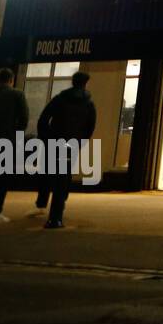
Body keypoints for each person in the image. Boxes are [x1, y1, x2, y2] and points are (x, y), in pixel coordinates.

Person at [41, 71, 96, 229]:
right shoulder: (88, 103)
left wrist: (47, 137)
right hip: (72, 144)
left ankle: (47, 206)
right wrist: (81, 142)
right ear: (85, 83)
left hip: (55, 141)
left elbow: (44, 118)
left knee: (52, 174)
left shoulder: (59, 99)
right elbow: (90, 126)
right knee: (63, 178)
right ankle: (56, 215)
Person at [0, 68, 30, 224]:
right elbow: (24, 118)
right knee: (3, 177)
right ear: (11, 79)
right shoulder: (17, 94)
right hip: (7, 140)